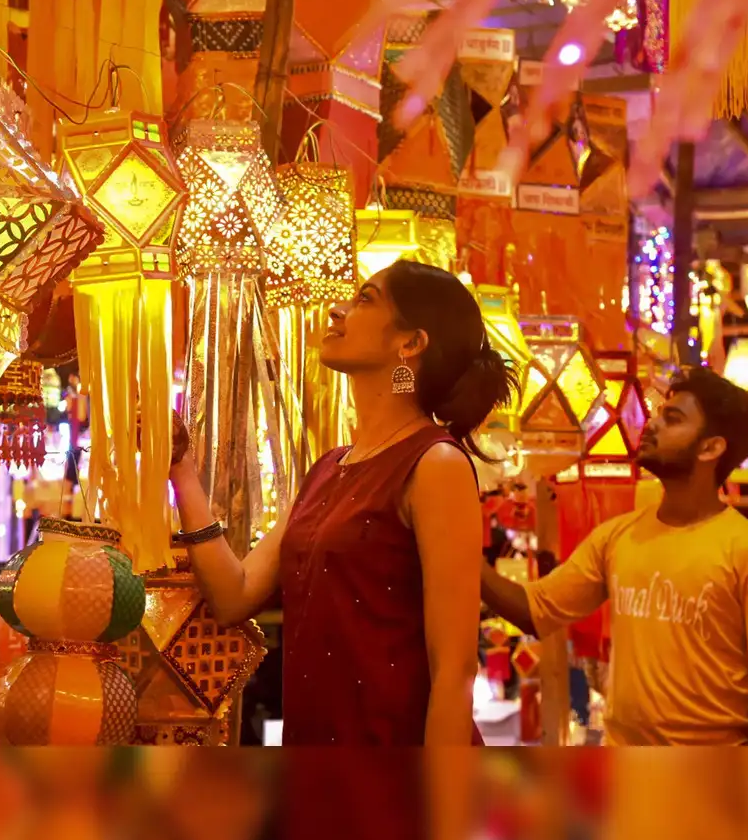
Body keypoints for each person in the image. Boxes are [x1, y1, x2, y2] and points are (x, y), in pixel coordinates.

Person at [168, 258, 518, 746]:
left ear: (411, 343)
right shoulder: (328, 468)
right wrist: (182, 469)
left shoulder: (436, 464)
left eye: (364, 300)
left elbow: (454, 669)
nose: (337, 310)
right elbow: (234, 595)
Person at [481, 366, 748, 746]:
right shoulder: (618, 535)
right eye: (659, 413)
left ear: (711, 448)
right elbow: (536, 610)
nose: (652, 423)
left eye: (673, 418)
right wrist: (458, 552)